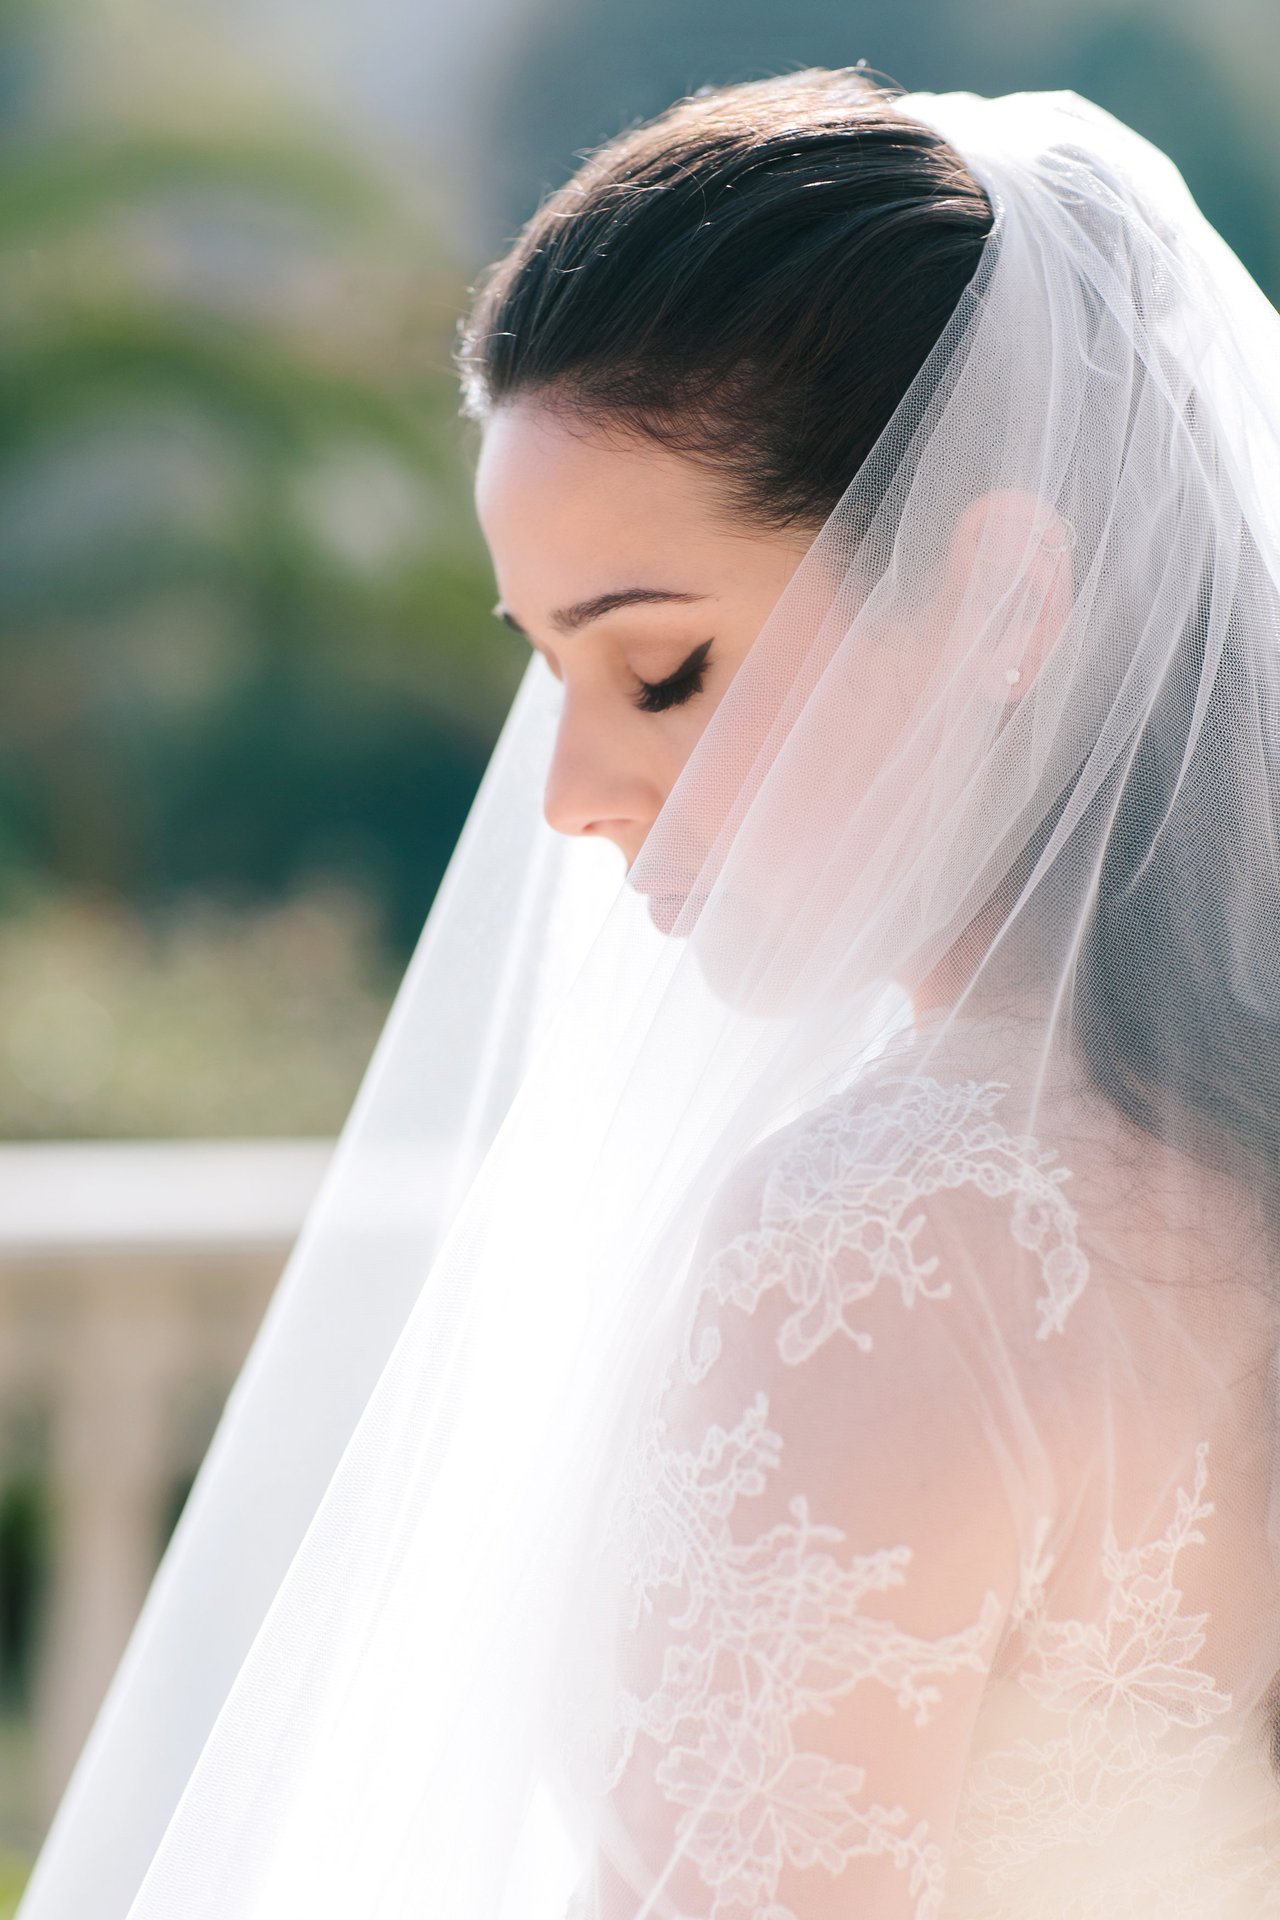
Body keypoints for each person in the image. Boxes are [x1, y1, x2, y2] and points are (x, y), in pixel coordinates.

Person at [18, 67, 1280, 1920]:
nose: (571, 800)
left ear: (1008, 598)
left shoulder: (880, 1256)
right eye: (551, 675)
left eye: (663, 671)